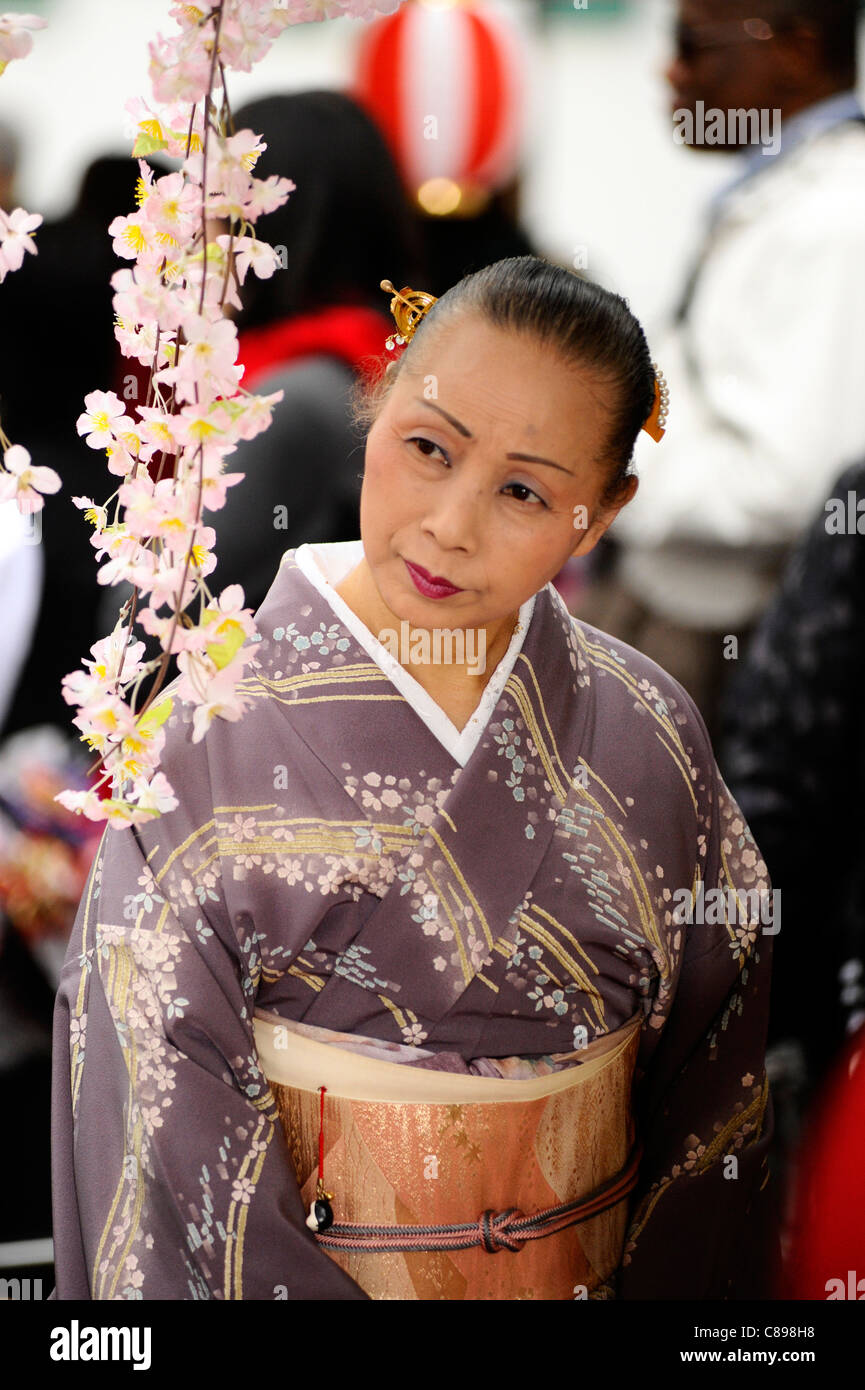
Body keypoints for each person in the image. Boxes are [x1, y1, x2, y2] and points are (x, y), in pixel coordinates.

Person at [51, 257, 775, 1301]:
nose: (449, 523)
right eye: (428, 448)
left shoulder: (650, 733)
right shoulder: (203, 734)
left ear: (601, 514)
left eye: (524, 491)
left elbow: (715, 1093)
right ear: (376, 398)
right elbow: (157, 1126)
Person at [577, 0, 865, 737]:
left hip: (721, 636)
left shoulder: (836, 219)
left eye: (691, 43)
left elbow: (789, 485)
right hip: (679, 606)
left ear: (796, 48)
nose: (668, 69)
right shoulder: (783, 192)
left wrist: (591, 453)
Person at [209, 91, 425, 615]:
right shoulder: (374, 361)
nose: (198, 231)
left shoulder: (295, 398)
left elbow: (152, 616)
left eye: (216, 206)